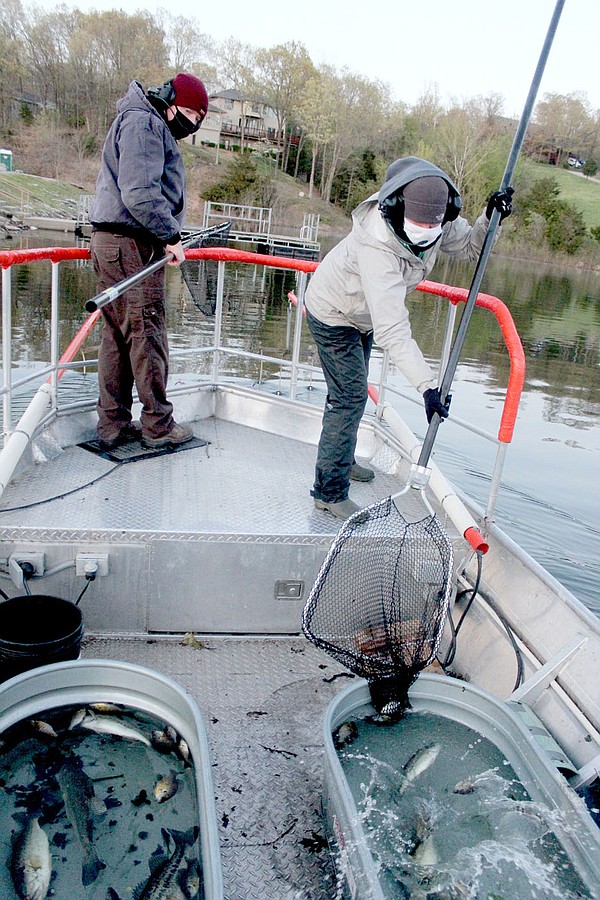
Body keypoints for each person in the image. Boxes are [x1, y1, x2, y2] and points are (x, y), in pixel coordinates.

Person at [304, 156, 513, 520]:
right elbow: (394, 328)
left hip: (362, 317)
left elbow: (468, 248)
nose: (426, 231)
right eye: (417, 223)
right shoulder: (377, 247)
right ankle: (329, 491)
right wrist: (427, 388)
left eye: (433, 224)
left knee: (349, 395)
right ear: (398, 207)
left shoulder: (438, 220)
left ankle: (341, 457)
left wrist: (487, 219)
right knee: (350, 396)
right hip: (333, 312)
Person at [89, 73, 208, 450]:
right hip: (131, 245)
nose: (191, 123)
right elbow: (139, 192)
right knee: (147, 332)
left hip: (116, 243)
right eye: (190, 112)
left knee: (118, 335)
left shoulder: (142, 119)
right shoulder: (144, 122)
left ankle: (112, 423)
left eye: (199, 119)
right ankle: (157, 425)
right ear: (170, 101)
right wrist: (171, 236)